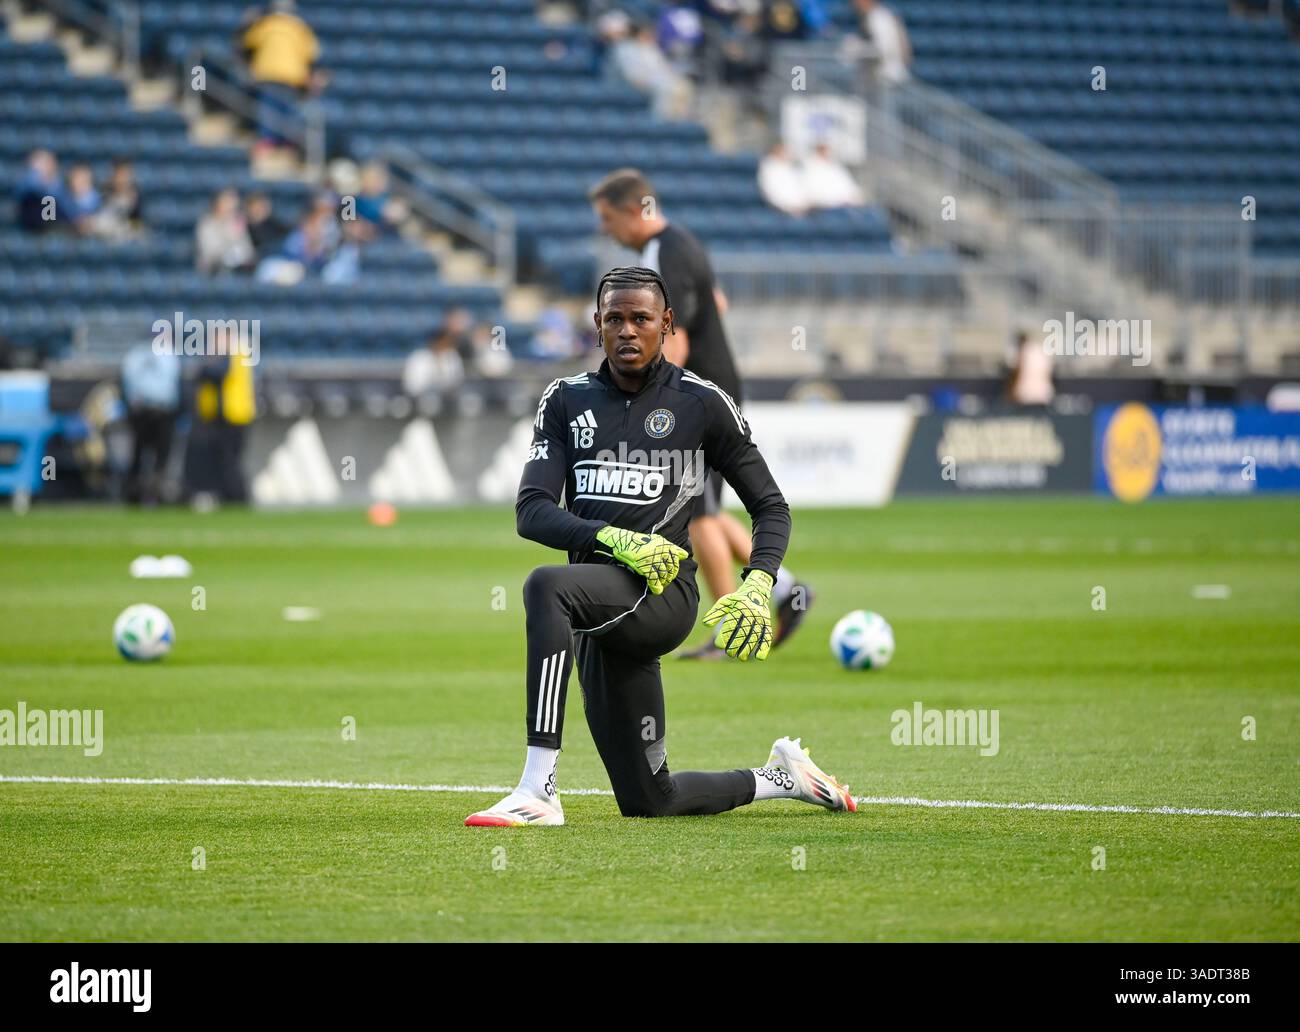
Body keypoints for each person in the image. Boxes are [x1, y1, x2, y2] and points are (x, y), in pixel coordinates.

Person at [464, 267, 856, 826]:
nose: (627, 330)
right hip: (597, 610)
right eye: (615, 319)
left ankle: (538, 788)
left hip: (662, 596)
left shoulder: (701, 402)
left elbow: (771, 506)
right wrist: (612, 538)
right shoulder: (565, 399)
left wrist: (759, 583)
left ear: (666, 324)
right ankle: (781, 778)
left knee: (544, 586)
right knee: (652, 800)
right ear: (596, 325)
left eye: (641, 319)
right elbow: (531, 512)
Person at [589, 168, 814, 659]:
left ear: (634, 209)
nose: (606, 229)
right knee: (702, 507)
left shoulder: (665, 254)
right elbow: (716, 301)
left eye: (608, 218)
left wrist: (653, 403)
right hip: (714, 388)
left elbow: (678, 338)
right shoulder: (680, 245)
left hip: (700, 396)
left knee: (694, 513)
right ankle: (788, 591)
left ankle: (728, 629)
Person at [241, 0, 322, 156]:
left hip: (269, 71)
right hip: (291, 74)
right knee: (286, 109)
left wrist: (248, 22)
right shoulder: (299, 27)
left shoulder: (266, 23)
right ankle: (285, 142)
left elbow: (246, 42)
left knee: (269, 108)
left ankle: (269, 141)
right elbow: (313, 53)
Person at [120, 344, 180, 505]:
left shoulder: (168, 355)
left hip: (162, 411)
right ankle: (133, 494)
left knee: (161, 456)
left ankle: (157, 493)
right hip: (142, 412)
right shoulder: (137, 354)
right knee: (138, 455)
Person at [196, 188, 255, 275]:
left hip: (237, 265)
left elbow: (246, 248)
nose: (230, 208)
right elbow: (208, 251)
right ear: (217, 204)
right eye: (227, 203)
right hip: (212, 267)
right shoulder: (207, 223)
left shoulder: (236, 222)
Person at [853, 0, 911, 84]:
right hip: (881, 77)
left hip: (890, 75)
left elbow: (883, 48)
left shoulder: (879, 17)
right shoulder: (872, 16)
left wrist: (858, 48)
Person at [803, 141, 865, 209]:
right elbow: (814, 196)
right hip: (825, 209)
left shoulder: (836, 168)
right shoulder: (811, 169)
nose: (827, 154)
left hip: (846, 207)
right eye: (824, 151)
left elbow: (851, 189)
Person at [15, 150, 65, 234]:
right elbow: (22, 192)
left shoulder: (58, 183)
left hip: (52, 226)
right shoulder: (27, 182)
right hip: (29, 225)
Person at [758, 141, 810, 216]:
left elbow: (801, 188)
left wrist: (804, 204)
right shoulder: (769, 167)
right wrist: (790, 207)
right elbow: (771, 194)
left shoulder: (791, 167)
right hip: (780, 211)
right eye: (782, 150)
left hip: (801, 209)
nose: (785, 153)